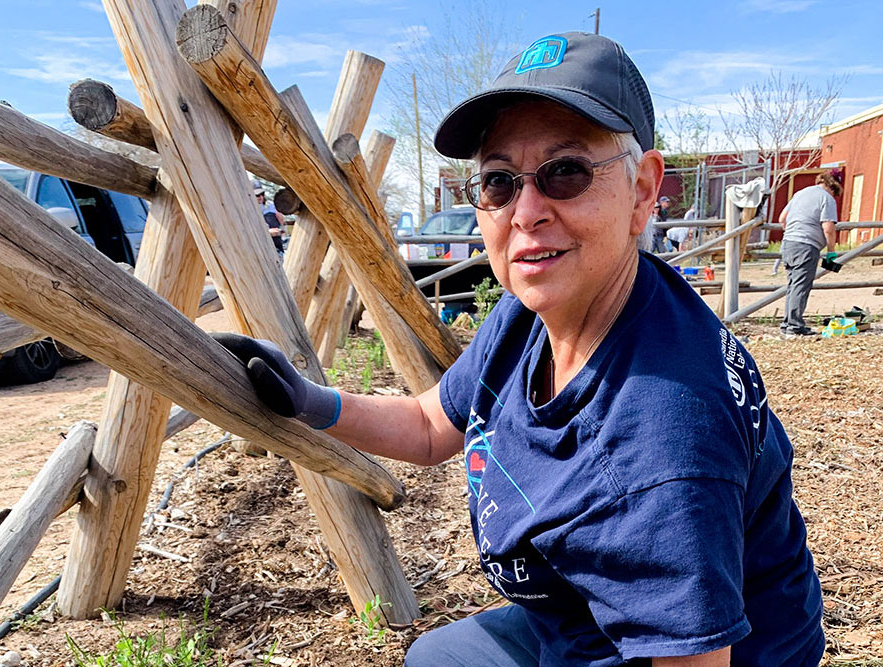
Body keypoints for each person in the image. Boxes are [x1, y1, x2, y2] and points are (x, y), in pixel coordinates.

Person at [217, 31, 823, 666]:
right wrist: (312, 404)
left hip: (681, 651)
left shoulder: (661, 443)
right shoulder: (532, 311)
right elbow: (430, 426)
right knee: (436, 656)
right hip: (575, 615)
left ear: (643, 191)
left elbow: (694, 660)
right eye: (500, 182)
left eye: (565, 172)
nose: (526, 210)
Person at [778, 170, 842, 335]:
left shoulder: (800, 193)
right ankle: (794, 326)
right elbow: (828, 228)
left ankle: (788, 323)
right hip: (806, 245)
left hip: (788, 243)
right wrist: (831, 251)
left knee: (793, 284)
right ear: (834, 186)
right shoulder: (827, 198)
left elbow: (782, 219)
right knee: (801, 286)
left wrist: (794, 232)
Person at [255, 180, 285, 259]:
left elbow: (281, 222)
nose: (261, 197)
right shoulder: (250, 210)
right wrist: (267, 232)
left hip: (277, 246)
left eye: (262, 194)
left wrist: (281, 228)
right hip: (263, 250)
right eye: (257, 195)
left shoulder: (270, 206)